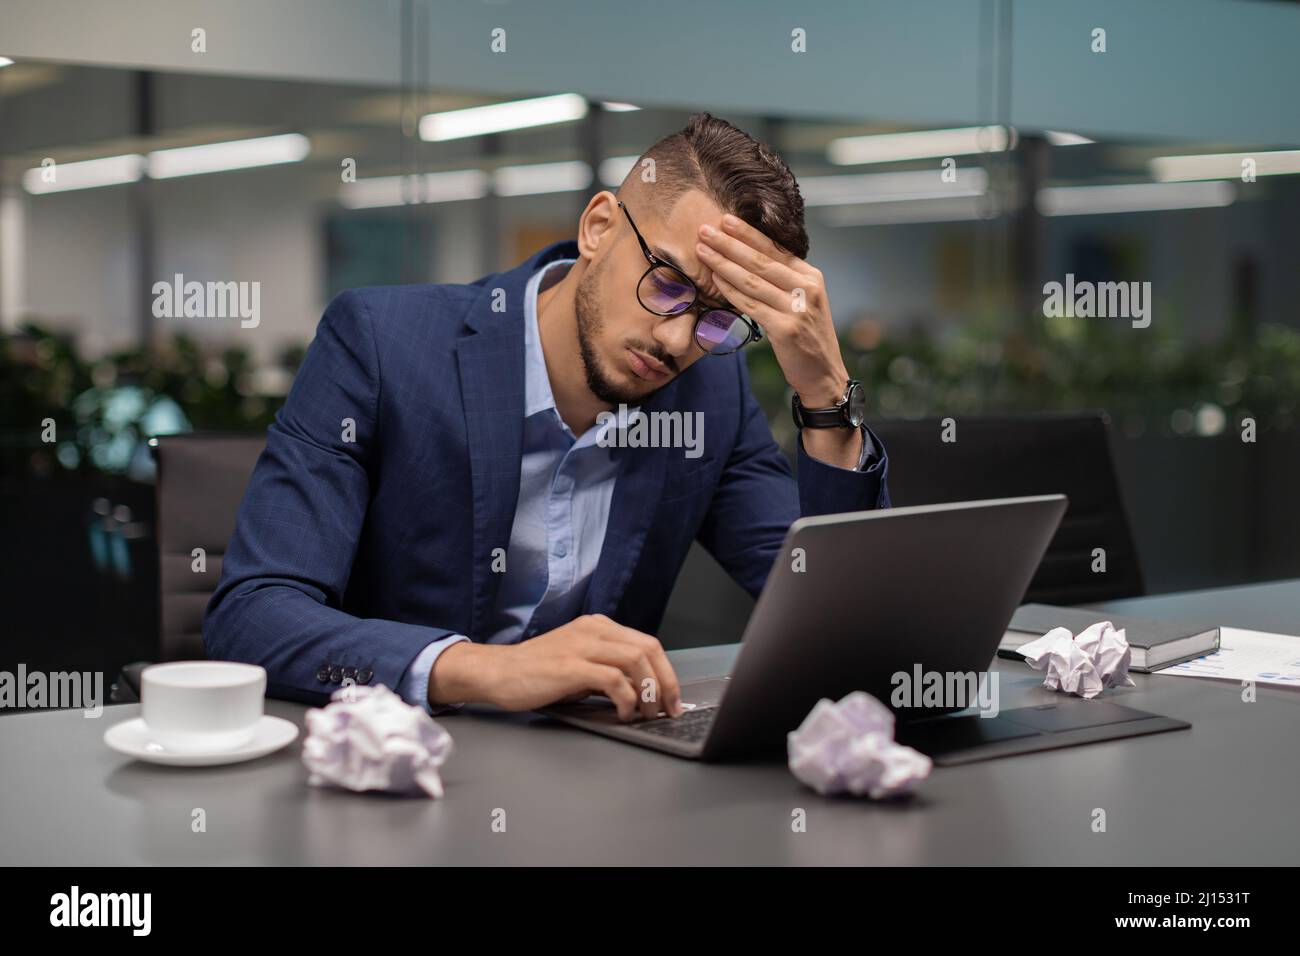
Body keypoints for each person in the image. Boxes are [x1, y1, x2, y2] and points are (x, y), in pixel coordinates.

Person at [204, 112, 890, 723]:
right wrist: (490, 670)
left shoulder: (711, 392)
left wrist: (826, 393)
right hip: (394, 773)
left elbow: (846, 627)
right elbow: (253, 617)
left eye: (719, 319)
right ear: (598, 228)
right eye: (668, 284)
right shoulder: (382, 345)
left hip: (593, 792)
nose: (680, 342)